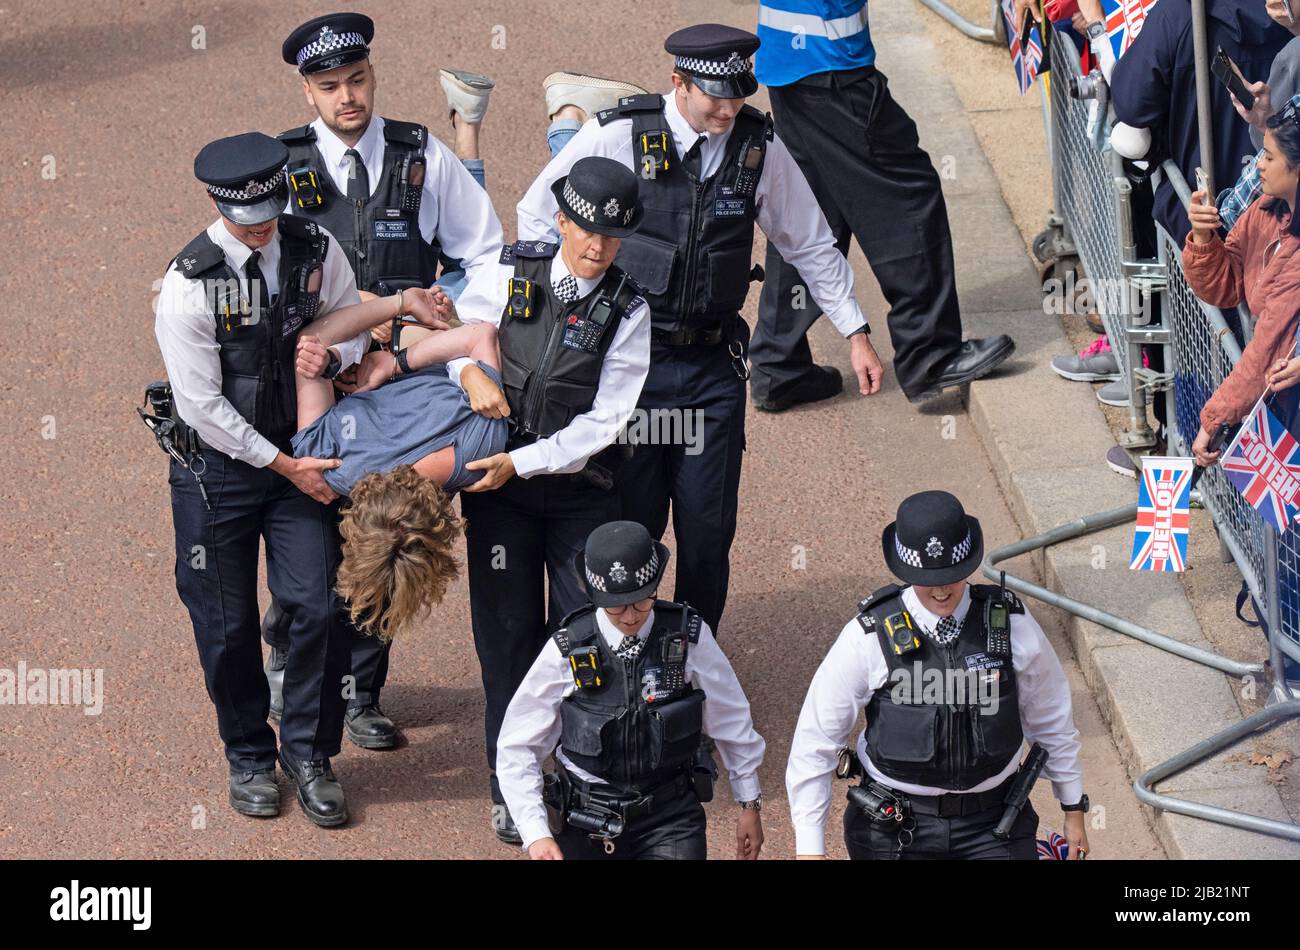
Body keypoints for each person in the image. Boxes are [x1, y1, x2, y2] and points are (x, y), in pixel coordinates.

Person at [517, 24, 885, 636]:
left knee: (708, 530)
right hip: (629, 369)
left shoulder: (757, 148)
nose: (727, 108)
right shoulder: (617, 134)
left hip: (711, 372)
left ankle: (692, 657)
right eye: (714, 95)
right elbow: (537, 212)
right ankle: (619, 661)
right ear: (677, 82)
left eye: (738, 95)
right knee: (629, 527)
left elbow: (812, 242)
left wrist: (855, 330)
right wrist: (563, 306)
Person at [154, 132, 442, 827]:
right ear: (216, 203)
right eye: (244, 214)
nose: (260, 225)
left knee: (318, 606)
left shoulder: (314, 247)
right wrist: (285, 465)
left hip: (303, 454)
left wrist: (333, 352)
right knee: (224, 625)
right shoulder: (189, 286)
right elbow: (203, 408)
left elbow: (346, 320)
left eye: (269, 209)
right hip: (220, 469)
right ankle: (250, 754)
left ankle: (310, 755)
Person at [263, 12, 506, 751]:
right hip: (309, 374)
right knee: (307, 543)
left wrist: (435, 347)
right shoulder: (281, 167)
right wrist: (329, 355)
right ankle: (291, 657)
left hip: (403, 385)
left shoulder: (417, 154)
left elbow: (486, 256)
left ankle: (361, 692)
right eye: (330, 86)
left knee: (386, 535)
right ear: (307, 90)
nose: (348, 98)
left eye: (358, 80)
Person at [448, 156, 652, 843]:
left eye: (613, 238)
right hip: (498, 497)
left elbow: (606, 421)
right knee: (506, 642)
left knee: (577, 640)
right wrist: (471, 372)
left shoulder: (628, 307)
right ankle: (510, 786)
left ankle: (574, 777)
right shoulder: (511, 269)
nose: (597, 248)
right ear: (561, 219)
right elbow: (458, 339)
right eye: (587, 231)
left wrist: (523, 461)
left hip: (578, 494)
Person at [786, 491, 1089, 859]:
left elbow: (1051, 716)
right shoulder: (867, 636)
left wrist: (1073, 807)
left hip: (994, 826)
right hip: (894, 828)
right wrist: (809, 847)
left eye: (953, 575)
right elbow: (815, 741)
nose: (942, 590)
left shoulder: (1011, 624)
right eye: (927, 578)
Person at [751, 0, 1015, 410]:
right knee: (907, 198)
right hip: (832, 67)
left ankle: (778, 364)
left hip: (788, 60)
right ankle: (930, 353)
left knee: (811, 213)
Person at [496, 521, 765, 860]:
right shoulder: (567, 648)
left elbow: (731, 720)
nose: (629, 616)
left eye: (641, 602)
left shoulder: (688, 636)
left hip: (671, 816)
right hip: (586, 816)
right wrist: (536, 834)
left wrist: (749, 802)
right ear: (593, 596)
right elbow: (518, 746)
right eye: (616, 606)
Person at [289, 293, 509, 641]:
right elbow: (311, 342)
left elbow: (480, 336)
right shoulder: (333, 466)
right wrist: (388, 348)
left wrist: (398, 336)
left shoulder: (479, 449)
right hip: (396, 308)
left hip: (432, 307)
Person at [1110, 0, 1291, 243]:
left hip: (1208, 220)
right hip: (1274, 216)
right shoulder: (1291, 11)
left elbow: (1131, 102)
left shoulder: (1177, 13)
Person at [1187, 106, 1300, 466]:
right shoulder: (1266, 209)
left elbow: (1267, 348)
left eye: (1268, 157)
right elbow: (1226, 284)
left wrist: (1214, 418)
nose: (1258, 167)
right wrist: (1203, 237)